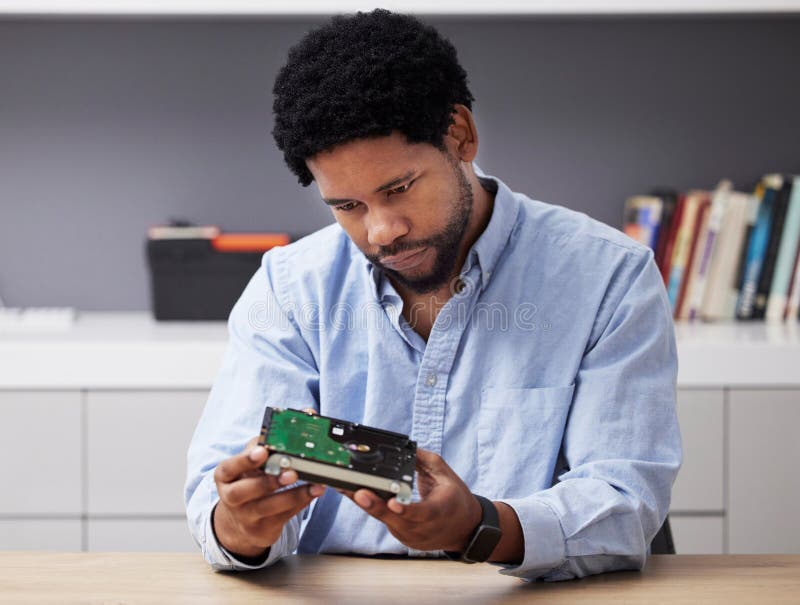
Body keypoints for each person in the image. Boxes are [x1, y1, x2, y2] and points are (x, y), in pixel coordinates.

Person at [185, 9, 681, 582]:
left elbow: (624, 502)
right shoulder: (289, 287)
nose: (382, 231)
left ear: (460, 136)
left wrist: (480, 526)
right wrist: (242, 525)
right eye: (347, 206)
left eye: (399, 188)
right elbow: (216, 501)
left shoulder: (609, 277)